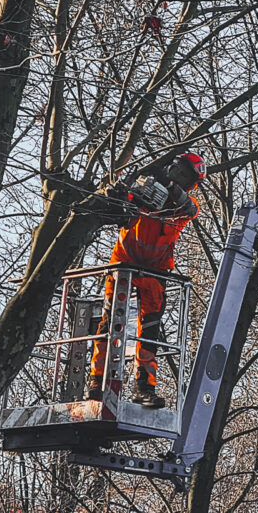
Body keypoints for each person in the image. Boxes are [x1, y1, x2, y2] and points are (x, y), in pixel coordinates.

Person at [88, 152, 206, 409]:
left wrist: (169, 185)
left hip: (155, 272)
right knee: (110, 323)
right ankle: (97, 380)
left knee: (149, 331)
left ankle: (144, 387)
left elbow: (191, 208)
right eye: (178, 171)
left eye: (185, 177)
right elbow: (122, 201)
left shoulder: (182, 208)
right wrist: (133, 185)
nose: (179, 177)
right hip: (124, 262)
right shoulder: (142, 191)